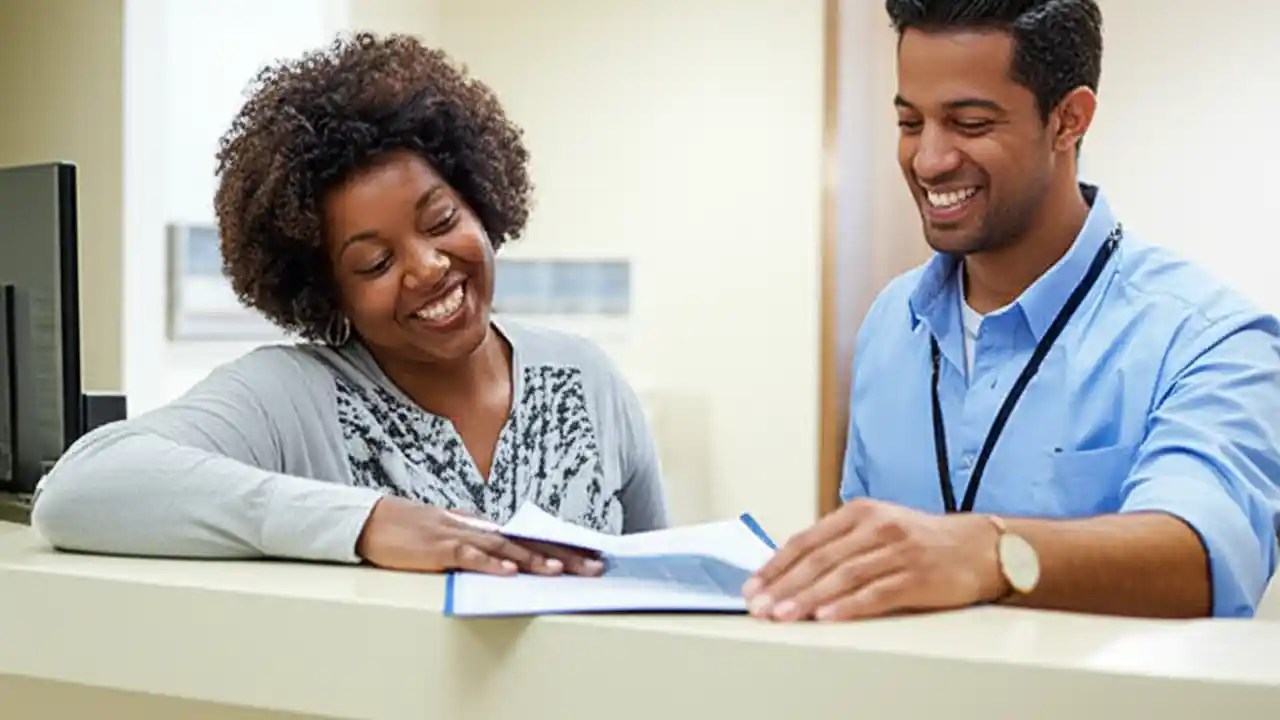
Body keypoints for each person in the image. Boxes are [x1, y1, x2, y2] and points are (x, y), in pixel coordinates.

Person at [31, 33, 668, 577]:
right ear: (327, 289)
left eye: (441, 219)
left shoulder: (588, 382)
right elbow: (80, 489)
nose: (428, 267)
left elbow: (662, 590)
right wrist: (365, 524)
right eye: (375, 264)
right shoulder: (292, 396)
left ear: (480, 200)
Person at [745, 0, 1280, 621]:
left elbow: (1202, 562)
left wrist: (993, 554)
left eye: (969, 123)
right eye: (910, 123)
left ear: (1068, 120)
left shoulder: (1211, 339)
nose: (928, 160)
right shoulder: (892, 323)